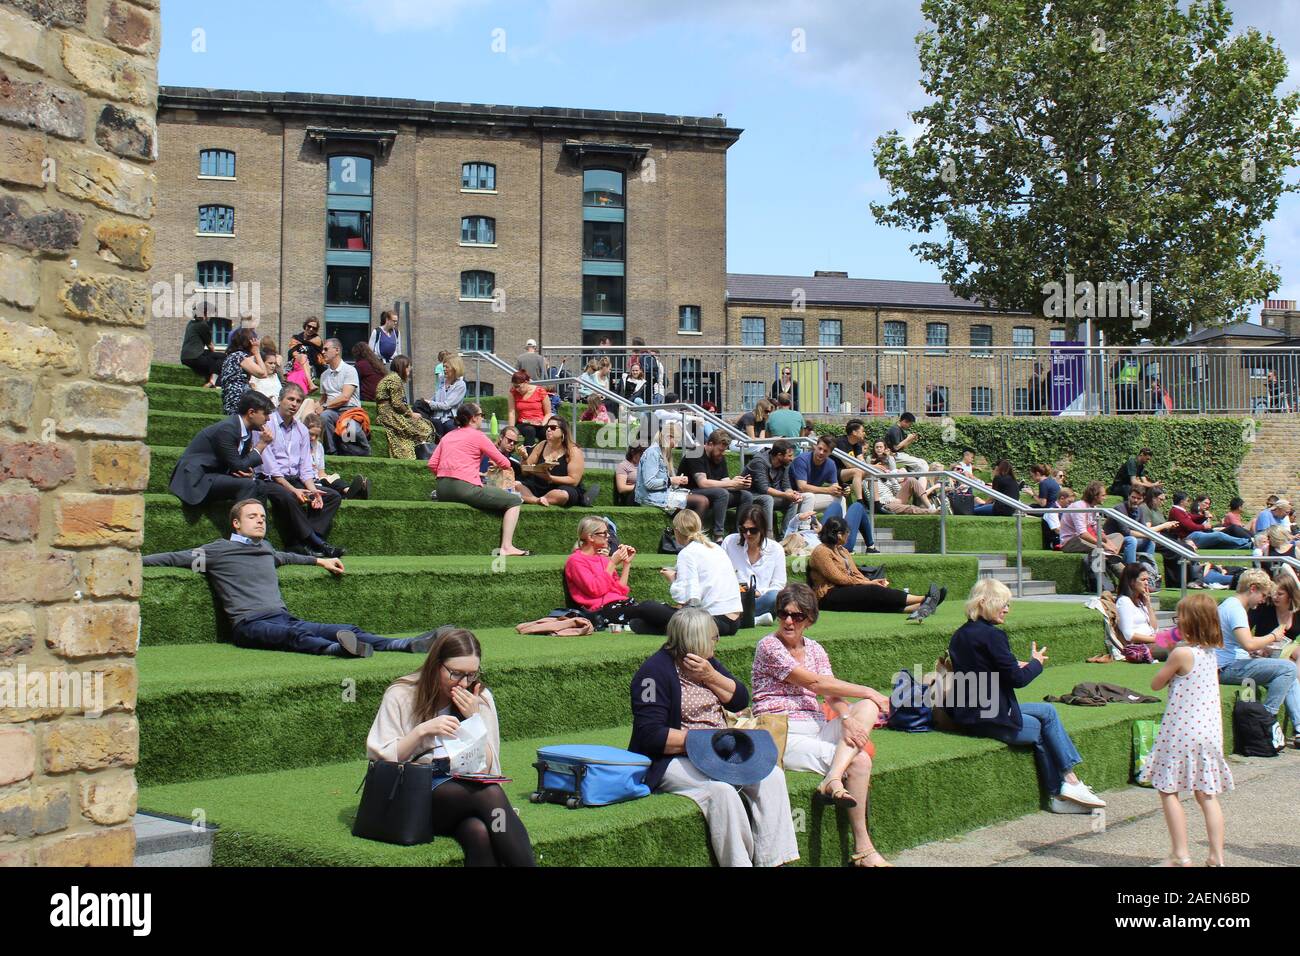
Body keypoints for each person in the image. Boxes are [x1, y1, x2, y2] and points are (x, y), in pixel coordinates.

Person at [144, 498, 428, 656]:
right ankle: (337, 650)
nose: (260, 520)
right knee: (295, 635)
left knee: (346, 627)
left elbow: (288, 556)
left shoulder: (266, 548)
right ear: (236, 524)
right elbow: (172, 557)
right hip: (248, 625)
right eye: (252, 516)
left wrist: (321, 560)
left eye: (263, 517)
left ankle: (400, 644)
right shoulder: (218, 550)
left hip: (282, 616)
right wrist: (132, 560)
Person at [628, 608, 799, 867]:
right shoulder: (652, 674)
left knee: (771, 776)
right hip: (671, 758)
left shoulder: (706, 663)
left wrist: (710, 676)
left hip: (718, 749)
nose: (717, 642)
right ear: (695, 639)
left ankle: (774, 862)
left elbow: (740, 699)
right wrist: (704, 741)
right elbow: (651, 736)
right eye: (713, 637)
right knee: (721, 792)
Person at [366, 627, 535, 866]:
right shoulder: (402, 694)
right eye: (455, 674)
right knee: (491, 793)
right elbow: (380, 759)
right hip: (412, 797)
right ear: (436, 665)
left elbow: (488, 768)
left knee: (477, 831)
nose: (464, 683)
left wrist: (474, 721)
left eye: (472, 674)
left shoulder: (480, 699)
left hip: (460, 794)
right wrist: (422, 730)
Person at [752, 583, 893, 867]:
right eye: (783, 613)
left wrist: (846, 719)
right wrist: (868, 689)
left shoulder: (815, 649)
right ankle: (864, 849)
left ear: (810, 619)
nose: (789, 621)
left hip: (815, 725)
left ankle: (833, 777)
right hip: (782, 731)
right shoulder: (768, 645)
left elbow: (831, 694)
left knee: (867, 708)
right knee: (862, 761)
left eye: (797, 615)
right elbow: (814, 683)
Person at [947, 578, 1106, 811]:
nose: (1007, 609)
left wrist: (1015, 663)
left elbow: (983, 668)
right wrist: (1036, 664)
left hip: (968, 712)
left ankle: (1065, 790)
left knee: (1048, 711)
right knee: (1043, 728)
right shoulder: (993, 635)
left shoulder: (960, 634)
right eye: (1003, 603)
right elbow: (1017, 680)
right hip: (991, 717)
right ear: (983, 603)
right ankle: (1067, 785)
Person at [1140, 593, 1234, 867]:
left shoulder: (1182, 653)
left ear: (1189, 622)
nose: (1176, 619)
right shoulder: (1210, 653)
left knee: (1169, 790)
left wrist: (1170, 643)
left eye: (1180, 616)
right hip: (1209, 731)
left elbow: (1156, 684)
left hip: (1182, 729)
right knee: (1206, 794)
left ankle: (1180, 854)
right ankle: (1216, 857)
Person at [255, 382, 345, 558]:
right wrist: (294, 490)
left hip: (295, 478)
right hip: (269, 480)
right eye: (290, 399)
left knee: (331, 496)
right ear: (280, 400)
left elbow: (305, 467)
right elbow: (270, 466)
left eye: (298, 400)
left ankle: (308, 541)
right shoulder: (267, 423)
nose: (294, 404)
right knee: (290, 497)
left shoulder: (302, 430)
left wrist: (313, 490)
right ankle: (317, 543)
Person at [427, 403, 529, 557]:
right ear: (474, 418)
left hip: (442, 489)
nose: (482, 418)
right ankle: (507, 547)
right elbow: (505, 463)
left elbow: (432, 464)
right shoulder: (479, 436)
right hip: (465, 489)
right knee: (514, 501)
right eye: (481, 415)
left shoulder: (448, 435)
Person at [1215, 570, 1299, 734]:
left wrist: (1261, 649)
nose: (1263, 600)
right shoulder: (1235, 609)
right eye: (1263, 595)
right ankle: (1266, 720)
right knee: (1288, 668)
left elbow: (1245, 645)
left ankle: (1299, 727)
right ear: (1253, 588)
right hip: (1226, 667)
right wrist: (1273, 636)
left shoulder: (1231, 605)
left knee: (1291, 678)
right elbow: (1249, 644)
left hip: (1232, 663)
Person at [808, 517, 941, 620]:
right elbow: (838, 578)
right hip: (828, 595)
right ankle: (925, 599)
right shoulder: (821, 552)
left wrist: (871, 581)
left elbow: (855, 573)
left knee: (872, 597)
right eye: (847, 533)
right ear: (838, 535)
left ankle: (919, 607)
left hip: (844, 589)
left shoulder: (842, 550)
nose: (848, 535)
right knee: (871, 591)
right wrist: (868, 584)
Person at [169, 389, 275, 507]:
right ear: (251, 413)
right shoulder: (227, 429)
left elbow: (240, 466)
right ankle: (243, 524)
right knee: (247, 485)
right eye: (265, 413)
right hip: (197, 478)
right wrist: (261, 445)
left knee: (260, 486)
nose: (268, 419)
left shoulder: (246, 431)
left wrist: (249, 474)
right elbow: (238, 466)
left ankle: (258, 524)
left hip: (216, 474)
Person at [658, 509, 744, 636]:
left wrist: (672, 579)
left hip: (712, 620)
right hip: (734, 622)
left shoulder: (686, 553)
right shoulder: (715, 547)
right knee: (640, 624)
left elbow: (685, 599)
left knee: (647, 607)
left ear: (676, 531)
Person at [794, 435, 878, 550]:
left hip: (825, 538)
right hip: (797, 498)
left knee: (840, 499)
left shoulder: (830, 464)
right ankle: (804, 532)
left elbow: (834, 487)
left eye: (825, 451)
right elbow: (802, 487)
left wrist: (841, 490)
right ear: (815, 446)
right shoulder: (802, 459)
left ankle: (842, 529)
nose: (821, 452)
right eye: (819, 448)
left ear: (830, 453)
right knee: (858, 506)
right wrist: (828, 490)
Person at [1248, 572, 1300, 749]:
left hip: (1288, 656)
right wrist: (1261, 648)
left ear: (1290, 594)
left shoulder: (1297, 611)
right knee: (1290, 675)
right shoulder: (1264, 610)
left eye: (1280, 594)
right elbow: (1246, 637)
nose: (1275, 597)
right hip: (1265, 654)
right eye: (1273, 593)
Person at [721, 506, 786, 624]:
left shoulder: (776, 549)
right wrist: (743, 591)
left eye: (753, 530)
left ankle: (737, 619)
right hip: (735, 597)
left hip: (762, 598)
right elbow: (722, 575)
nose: (748, 534)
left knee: (775, 597)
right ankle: (754, 619)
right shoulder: (730, 542)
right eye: (743, 529)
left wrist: (759, 593)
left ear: (762, 529)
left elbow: (778, 584)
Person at [686, 431, 754, 542]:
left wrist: (739, 484)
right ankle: (718, 536)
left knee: (746, 496)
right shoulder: (695, 453)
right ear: (710, 444)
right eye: (720, 450)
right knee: (722, 493)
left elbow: (726, 482)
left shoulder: (719, 457)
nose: (722, 453)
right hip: (691, 492)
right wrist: (731, 483)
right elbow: (703, 483)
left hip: (714, 494)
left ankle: (739, 534)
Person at [516, 415, 590, 508]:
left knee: (563, 495)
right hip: (538, 485)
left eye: (553, 428)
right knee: (515, 485)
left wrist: (550, 478)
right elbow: (525, 471)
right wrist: (524, 458)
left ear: (563, 431)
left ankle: (535, 499)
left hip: (561, 487)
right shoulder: (542, 445)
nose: (548, 430)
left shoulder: (573, 451)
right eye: (547, 427)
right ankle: (537, 500)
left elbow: (574, 480)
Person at [634, 421, 705, 514]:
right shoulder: (652, 453)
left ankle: (686, 527)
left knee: (700, 499)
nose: (675, 445)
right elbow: (649, 483)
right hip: (650, 498)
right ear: (669, 437)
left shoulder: (663, 452)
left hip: (662, 494)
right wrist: (671, 480)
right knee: (701, 501)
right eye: (676, 441)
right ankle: (691, 528)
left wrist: (678, 481)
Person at [1115, 563, 1180, 660]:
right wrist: (1157, 639)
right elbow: (1129, 635)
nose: (1146, 583)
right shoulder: (1124, 602)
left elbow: (1155, 629)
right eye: (1143, 580)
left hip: (1151, 640)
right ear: (1132, 582)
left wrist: (1148, 605)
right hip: (1141, 646)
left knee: (1184, 636)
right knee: (1181, 647)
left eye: (1147, 580)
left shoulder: (1141, 601)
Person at [1060, 480, 1125, 578]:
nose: (1105, 498)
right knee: (1099, 549)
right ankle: (1128, 578)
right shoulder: (1079, 507)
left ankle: (1108, 555)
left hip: (1084, 540)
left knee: (1118, 536)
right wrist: (1103, 544)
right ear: (1095, 495)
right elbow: (1082, 534)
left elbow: (1097, 528)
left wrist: (1107, 541)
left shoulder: (1094, 508)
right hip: (1071, 542)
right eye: (1103, 495)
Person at [744, 440, 805, 539]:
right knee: (768, 499)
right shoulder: (759, 461)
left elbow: (786, 485)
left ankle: (786, 537)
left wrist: (791, 494)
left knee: (793, 500)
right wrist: (785, 495)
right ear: (780, 455)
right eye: (789, 456)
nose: (792, 459)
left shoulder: (785, 464)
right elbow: (763, 488)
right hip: (752, 495)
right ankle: (768, 536)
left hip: (771, 496)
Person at [375, 355, 432, 460]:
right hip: (389, 415)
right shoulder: (395, 380)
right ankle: (423, 454)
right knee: (425, 428)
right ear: (402, 367)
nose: (410, 369)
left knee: (424, 425)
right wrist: (411, 414)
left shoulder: (392, 378)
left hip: (387, 414)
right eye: (408, 366)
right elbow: (397, 404)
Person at [318, 338, 369, 456]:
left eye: (326, 349)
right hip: (331, 411)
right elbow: (323, 399)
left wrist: (324, 406)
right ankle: (332, 452)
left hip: (349, 411)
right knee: (325, 416)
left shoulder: (349, 370)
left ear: (337, 350)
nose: (323, 352)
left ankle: (358, 452)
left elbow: (345, 397)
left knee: (348, 430)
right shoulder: (324, 375)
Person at [302, 412, 368, 500]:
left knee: (331, 480)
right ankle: (354, 493)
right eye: (311, 434)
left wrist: (329, 478)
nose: (313, 438)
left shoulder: (318, 446)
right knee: (333, 493)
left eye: (316, 435)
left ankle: (350, 492)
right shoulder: (299, 445)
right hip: (307, 481)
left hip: (318, 479)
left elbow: (321, 472)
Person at [869, 440, 933, 515]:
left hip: (892, 482)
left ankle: (930, 507)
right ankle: (929, 510)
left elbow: (893, 472)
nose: (879, 449)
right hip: (887, 499)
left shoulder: (889, 459)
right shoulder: (870, 460)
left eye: (880, 447)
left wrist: (889, 458)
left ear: (884, 448)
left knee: (911, 479)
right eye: (877, 447)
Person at [1167, 491, 1247, 551]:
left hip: (1193, 535)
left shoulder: (1181, 511)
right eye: (1187, 500)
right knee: (1219, 535)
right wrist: (1203, 526)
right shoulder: (1176, 511)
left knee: (1220, 543)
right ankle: (1247, 541)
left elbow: (1193, 518)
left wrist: (1204, 517)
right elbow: (1189, 526)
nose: (1189, 502)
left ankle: (1248, 545)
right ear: (1181, 502)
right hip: (1188, 537)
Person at [218, 327, 269, 416]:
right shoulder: (240, 356)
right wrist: (257, 353)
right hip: (238, 397)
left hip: (230, 397)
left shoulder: (231, 356)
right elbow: (263, 373)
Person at [420, 354, 467, 440]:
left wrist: (430, 403)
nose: (444, 369)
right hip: (436, 418)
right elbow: (435, 398)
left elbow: (446, 405)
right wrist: (425, 402)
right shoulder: (442, 382)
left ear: (455, 368)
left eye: (447, 367)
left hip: (450, 420)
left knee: (446, 428)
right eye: (443, 367)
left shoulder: (460, 385)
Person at [180, 302, 222, 387]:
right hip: (195, 357)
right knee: (222, 358)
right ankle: (212, 382)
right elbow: (210, 345)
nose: (210, 316)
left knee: (213, 358)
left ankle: (209, 381)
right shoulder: (203, 325)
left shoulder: (191, 323)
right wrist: (216, 355)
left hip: (185, 357)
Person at [506, 368, 550, 448]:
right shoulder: (513, 392)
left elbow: (548, 413)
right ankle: (528, 456)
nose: (517, 389)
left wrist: (542, 424)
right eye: (514, 386)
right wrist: (511, 429)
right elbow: (511, 413)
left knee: (547, 432)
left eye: (518, 386)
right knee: (530, 430)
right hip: (522, 423)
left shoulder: (540, 391)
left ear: (526, 382)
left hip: (539, 423)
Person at [834, 419, 869, 503]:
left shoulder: (857, 444)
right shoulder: (841, 442)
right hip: (835, 472)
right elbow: (849, 465)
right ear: (854, 432)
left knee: (871, 473)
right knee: (857, 471)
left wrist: (871, 468)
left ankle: (875, 503)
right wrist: (867, 467)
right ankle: (860, 502)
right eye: (862, 431)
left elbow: (862, 462)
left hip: (847, 472)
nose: (864, 433)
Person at [1029, 463, 1061, 548]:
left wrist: (1032, 494)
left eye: (1032, 476)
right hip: (1055, 509)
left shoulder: (1043, 483)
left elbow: (1043, 503)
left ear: (1038, 474)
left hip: (1048, 511)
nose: (1032, 479)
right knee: (1031, 505)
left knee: (1026, 509)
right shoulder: (1051, 481)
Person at [248, 337, 283, 405]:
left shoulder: (275, 376)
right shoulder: (255, 377)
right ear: (262, 363)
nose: (273, 366)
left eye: (274, 363)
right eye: (270, 363)